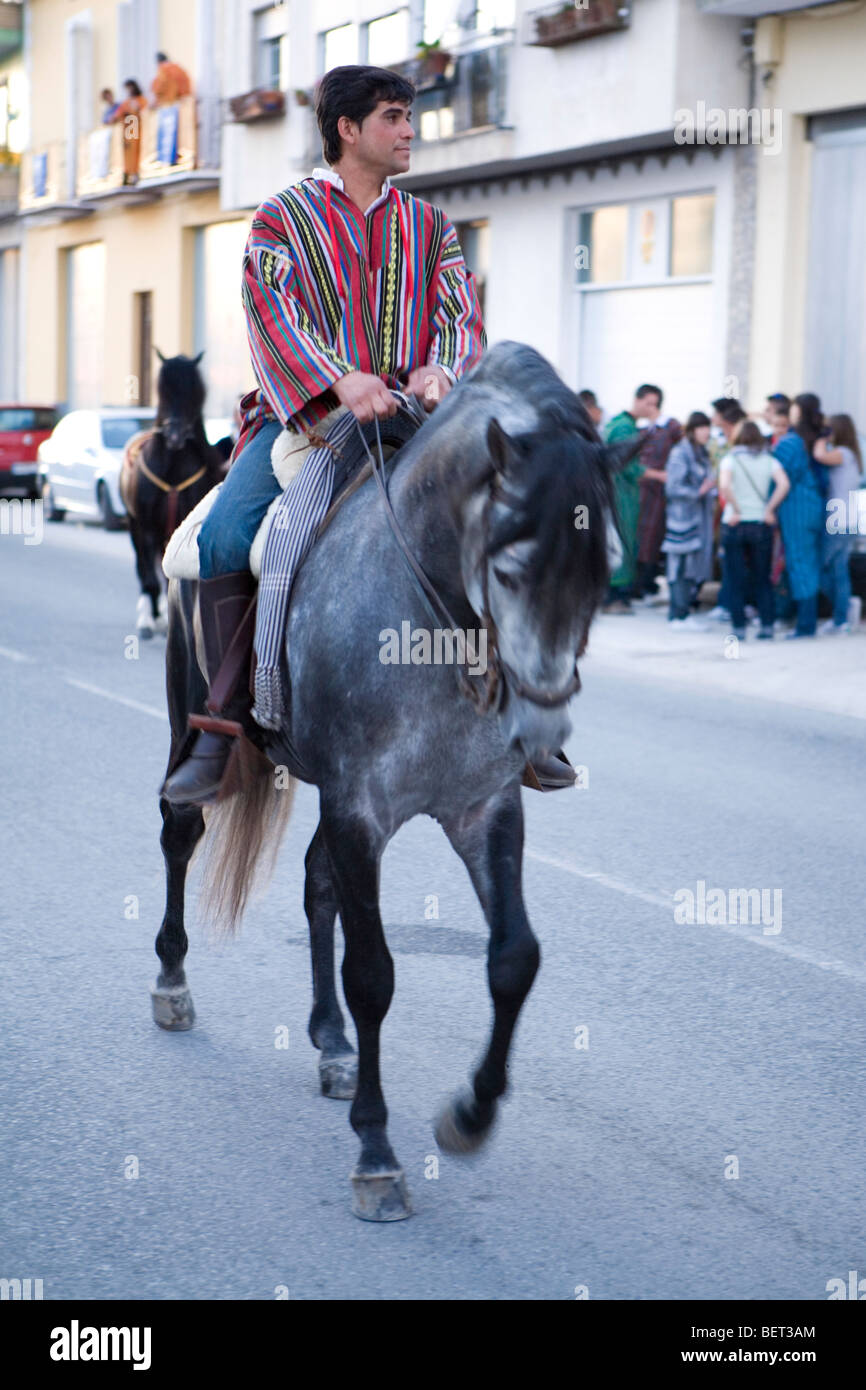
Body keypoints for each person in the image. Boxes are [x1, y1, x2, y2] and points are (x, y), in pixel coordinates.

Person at [162, 64, 489, 805]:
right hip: (304, 420)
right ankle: (222, 725)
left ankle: (518, 718)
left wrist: (440, 367)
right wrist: (340, 379)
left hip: (416, 424)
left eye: (410, 116)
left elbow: (460, 314)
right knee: (222, 539)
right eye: (394, 116)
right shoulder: (281, 217)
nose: (410, 130)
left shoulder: (431, 225)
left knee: (505, 519)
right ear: (348, 129)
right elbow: (270, 309)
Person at [719, 420, 790, 639]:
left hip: (734, 522)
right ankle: (766, 626)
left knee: (735, 577)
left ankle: (738, 628)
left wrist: (736, 508)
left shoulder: (730, 459)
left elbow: (723, 486)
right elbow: (784, 484)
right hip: (761, 523)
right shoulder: (769, 460)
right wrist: (769, 509)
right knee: (762, 577)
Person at [603, 384, 662, 613]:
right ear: (637, 400)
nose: (651, 408)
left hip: (612, 491)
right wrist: (660, 475)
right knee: (624, 542)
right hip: (622, 494)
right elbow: (628, 466)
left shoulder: (616, 423)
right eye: (648, 403)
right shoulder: (625, 429)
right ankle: (615, 598)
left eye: (655, 405)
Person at [774, 397, 824, 637]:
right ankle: (803, 620)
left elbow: (778, 477)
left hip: (795, 509)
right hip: (816, 508)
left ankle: (805, 625)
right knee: (809, 563)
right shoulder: (819, 438)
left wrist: (769, 507)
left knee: (799, 563)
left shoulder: (791, 443)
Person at [661, 411, 716, 627]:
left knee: (692, 566)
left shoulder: (700, 452)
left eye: (708, 427)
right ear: (693, 430)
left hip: (697, 519)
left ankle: (683, 613)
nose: (707, 432)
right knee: (680, 566)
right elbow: (672, 487)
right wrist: (699, 491)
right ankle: (677, 614)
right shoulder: (680, 453)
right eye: (702, 428)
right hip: (682, 520)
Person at [813, 413, 863, 633]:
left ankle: (843, 609)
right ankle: (841, 617)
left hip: (839, 518)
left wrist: (820, 437)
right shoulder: (854, 454)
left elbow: (819, 455)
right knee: (838, 569)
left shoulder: (843, 453)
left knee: (819, 566)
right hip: (849, 516)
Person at [635, 405, 682, 600]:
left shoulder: (671, 427)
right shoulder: (641, 430)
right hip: (641, 490)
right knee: (639, 535)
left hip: (660, 492)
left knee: (653, 536)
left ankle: (647, 582)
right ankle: (638, 584)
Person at [112, 80, 147, 185]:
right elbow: (117, 115)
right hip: (129, 130)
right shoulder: (126, 103)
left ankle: (136, 173)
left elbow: (144, 111)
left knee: (137, 152)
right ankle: (127, 174)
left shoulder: (141, 100)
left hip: (137, 129)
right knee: (128, 154)